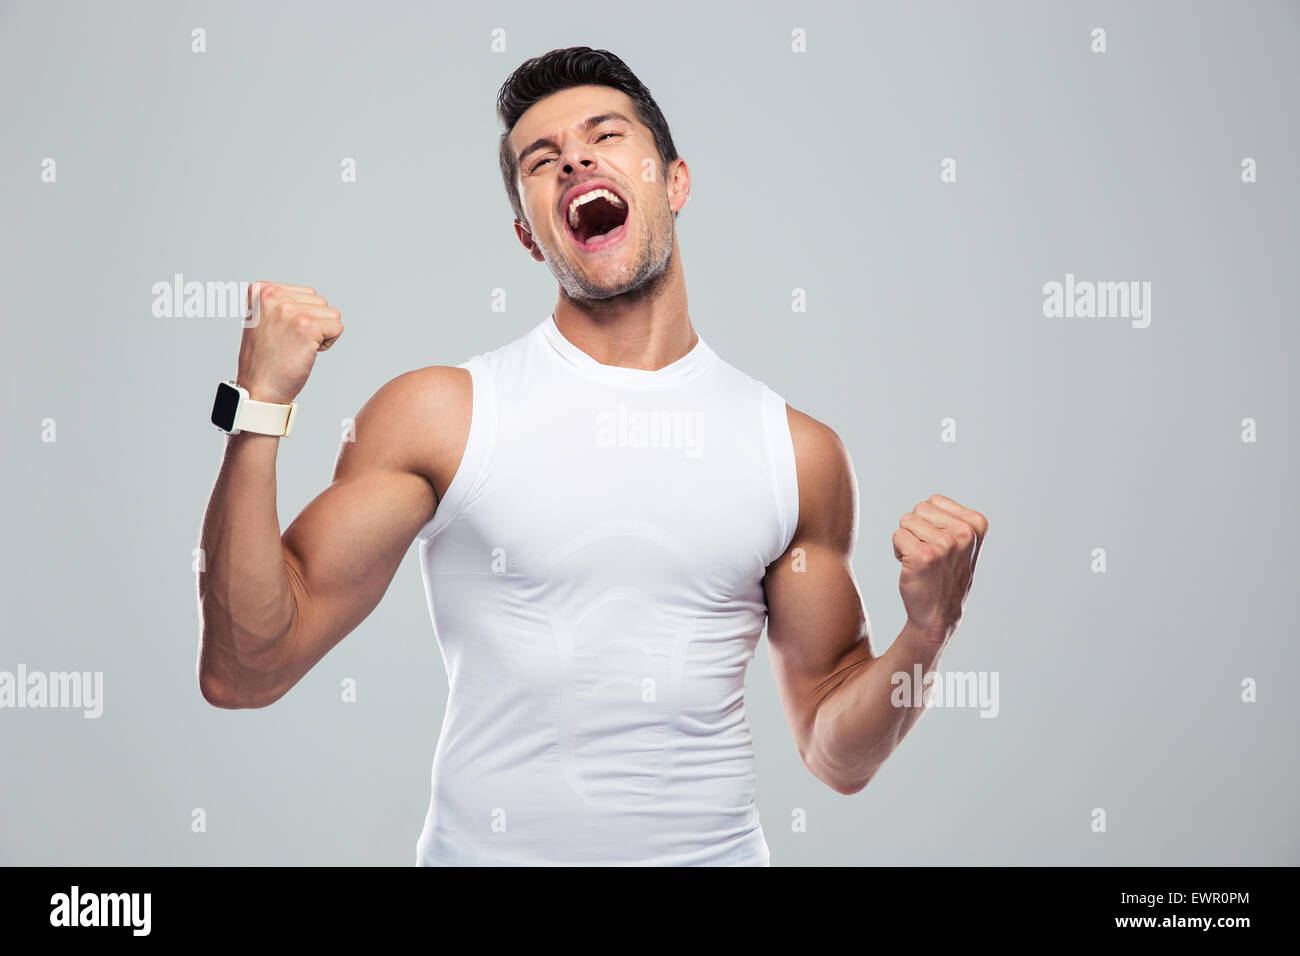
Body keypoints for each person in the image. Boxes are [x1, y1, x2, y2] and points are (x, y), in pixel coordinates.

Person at [196, 46, 988, 866]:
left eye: (604, 135)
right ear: (529, 236)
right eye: (541, 161)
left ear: (674, 182)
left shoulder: (794, 451)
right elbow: (245, 669)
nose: (574, 158)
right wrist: (258, 408)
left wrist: (927, 633)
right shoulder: (441, 416)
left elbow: (834, 749)